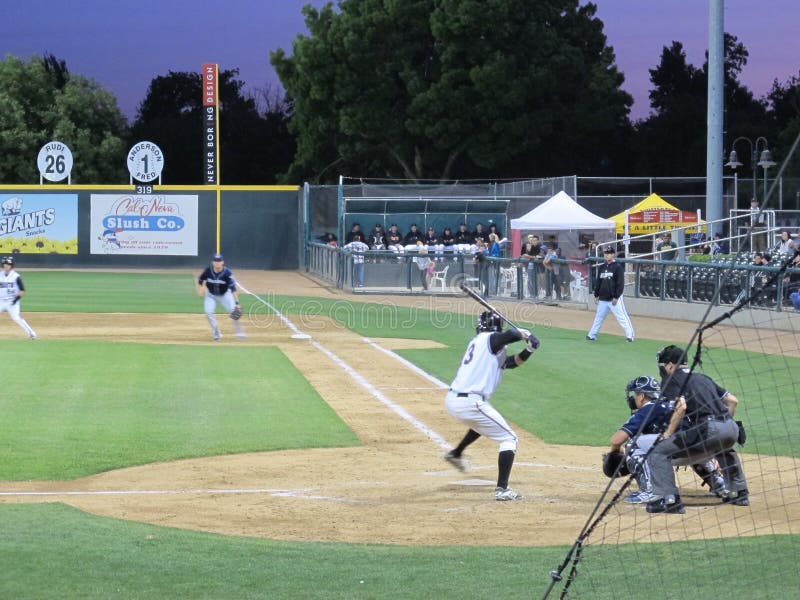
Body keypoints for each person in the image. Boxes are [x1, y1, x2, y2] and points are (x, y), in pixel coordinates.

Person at [443, 311, 540, 501]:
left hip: (457, 400)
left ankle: (456, 453)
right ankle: (502, 489)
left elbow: (511, 363)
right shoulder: (488, 339)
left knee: (483, 424)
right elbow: (512, 335)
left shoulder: (486, 345)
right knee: (509, 438)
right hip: (470, 402)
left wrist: (529, 350)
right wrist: (525, 333)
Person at [643, 345, 749, 513]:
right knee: (724, 448)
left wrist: (668, 433)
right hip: (731, 427)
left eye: (663, 366)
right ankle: (740, 493)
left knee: (657, 451)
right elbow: (732, 401)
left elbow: (681, 406)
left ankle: (669, 500)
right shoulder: (702, 377)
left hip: (709, 427)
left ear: (670, 365)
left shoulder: (672, 380)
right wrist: (724, 426)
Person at [610, 376, 727, 504]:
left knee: (633, 444)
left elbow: (617, 440)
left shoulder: (647, 409)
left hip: (677, 451)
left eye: (635, 394)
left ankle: (650, 491)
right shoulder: (674, 404)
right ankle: (719, 484)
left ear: (642, 396)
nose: (633, 398)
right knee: (688, 441)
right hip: (704, 450)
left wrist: (615, 453)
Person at [586, 247, 635, 342]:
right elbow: (598, 282)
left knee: (622, 317)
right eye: (605, 253)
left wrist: (616, 296)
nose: (606, 255)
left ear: (613, 254)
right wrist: (596, 295)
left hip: (614, 299)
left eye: (609, 253)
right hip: (603, 299)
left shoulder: (618, 267)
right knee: (598, 317)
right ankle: (592, 335)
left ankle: (630, 336)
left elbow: (620, 284)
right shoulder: (602, 267)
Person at [197, 253, 245, 341]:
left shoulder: (227, 273)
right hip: (211, 295)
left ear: (223, 262)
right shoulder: (208, 270)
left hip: (225, 294)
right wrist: (201, 290)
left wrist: (237, 303)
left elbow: (233, 289)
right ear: (213, 262)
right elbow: (200, 280)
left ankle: (239, 332)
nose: (217, 263)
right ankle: (217, 333)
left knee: (234, 311)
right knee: (209, 312)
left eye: (219, 261)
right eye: (215, 261)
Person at [0, 256, 37, 339]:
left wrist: (15, 300)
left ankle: (31, 334)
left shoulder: (16, 276)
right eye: (5, 264)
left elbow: (22, 290)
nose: (6, 266)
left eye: (8, 264)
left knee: (16, 318)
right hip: (1, 301)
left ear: (11, 265)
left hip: (12, 301)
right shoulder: (0, 275)